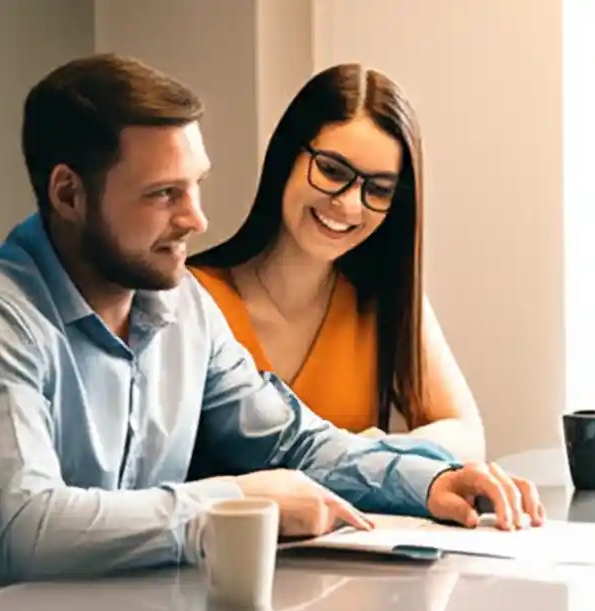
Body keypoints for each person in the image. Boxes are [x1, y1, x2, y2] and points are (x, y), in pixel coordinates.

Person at [0, 54, 543, 592]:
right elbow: (20, 533)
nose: (196, 218)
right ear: (67, 195)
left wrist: (430, 483)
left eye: (197, 185)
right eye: (164, 194)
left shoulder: (183, 307)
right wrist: (235, 502)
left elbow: (294, 444)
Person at [188, 64, 483, 461]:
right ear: (287, 156)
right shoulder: (192, 298)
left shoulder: (382, 299)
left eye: (378, 189)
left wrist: (360, 452)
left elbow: (466, 438)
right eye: (331, 170)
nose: (348, 204)